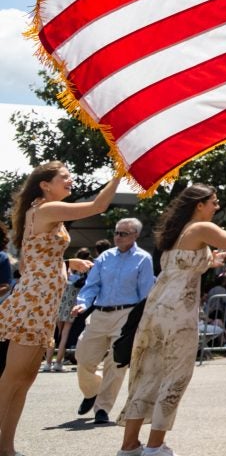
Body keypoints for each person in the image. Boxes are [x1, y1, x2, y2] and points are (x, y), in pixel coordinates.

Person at [116, 183, 226, 456]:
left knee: (147, 374)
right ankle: (155, 446)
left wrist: (209, 261)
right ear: (199, 205)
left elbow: (182, 265)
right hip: (179, 312)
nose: (216, 207)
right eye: (213, 202)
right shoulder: (201, 228)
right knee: (175, 375)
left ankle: (129, 445)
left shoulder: (177, 231)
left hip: (156, 308)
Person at [0, 162, 122, 456]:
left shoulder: (43, 211)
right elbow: (99, 205)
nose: (70, 180)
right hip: (33, 305)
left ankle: (6, 448)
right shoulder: (46, 209)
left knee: (24, 380)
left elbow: (32, 261)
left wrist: (66, 263)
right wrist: (120, 172)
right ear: (45, 184)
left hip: (41, 305)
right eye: (64, 177)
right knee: (13, 379)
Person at [72, 218, 155, 424]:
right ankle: (91, 391)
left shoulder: (144, 259)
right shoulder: (104, 257)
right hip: (99, 313)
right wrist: (82, 303)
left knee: (116, 363)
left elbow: (145, 293)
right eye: (116, 233)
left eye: (123, 233)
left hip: (126, 315)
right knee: (83, 358)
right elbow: (92, 285)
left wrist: (142, 321)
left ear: (135, 235)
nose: (117, 237)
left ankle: (102, 408)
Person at [48, 247, 94, 373]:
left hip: (61, 302)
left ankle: (47, 362)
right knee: (65, 334)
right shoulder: (85, 272)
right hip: (72, 303)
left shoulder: (68, 268)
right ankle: (58, 362)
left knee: (54, 333)